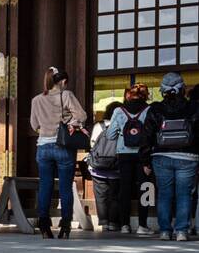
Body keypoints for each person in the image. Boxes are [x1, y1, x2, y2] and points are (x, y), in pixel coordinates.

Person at [29, 66, 87, 239]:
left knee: (45, 186)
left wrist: (45, 127)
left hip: (43, 147)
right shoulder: (66, 95)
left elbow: (34, 125)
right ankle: (65, 225)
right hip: (63, 146)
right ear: (62, 81)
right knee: (65, 187)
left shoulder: (36, 100)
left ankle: (44, 225)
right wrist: (71, 123)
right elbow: (82, 115)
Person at [141, 72, 199, 241]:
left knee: (164, 194)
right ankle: (181, 231)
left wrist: (145, 160)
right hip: (188, 156)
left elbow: (147, 135)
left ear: (162, 90)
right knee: (184, 194)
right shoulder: (193, 107)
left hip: (161, 156)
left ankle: (165, 231)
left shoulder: (155, 109)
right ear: (182, 88)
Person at [108, 84, 155, 235]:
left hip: (124, 153)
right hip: (144, 154)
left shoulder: (119, 111)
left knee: (125, 189)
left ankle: (125, 225)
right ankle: (142, 225)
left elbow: (110, 135)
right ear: (145, 95)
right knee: (145, 188)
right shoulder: (149, 110)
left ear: (129, 95)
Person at [88, 102, 124, 231]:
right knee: (115, 196)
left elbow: (92, 144)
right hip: (116, 166)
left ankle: (103, 222)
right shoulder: (121, 124)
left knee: (101, 196)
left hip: (98, 167)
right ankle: (113, 222)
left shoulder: (99, 125)